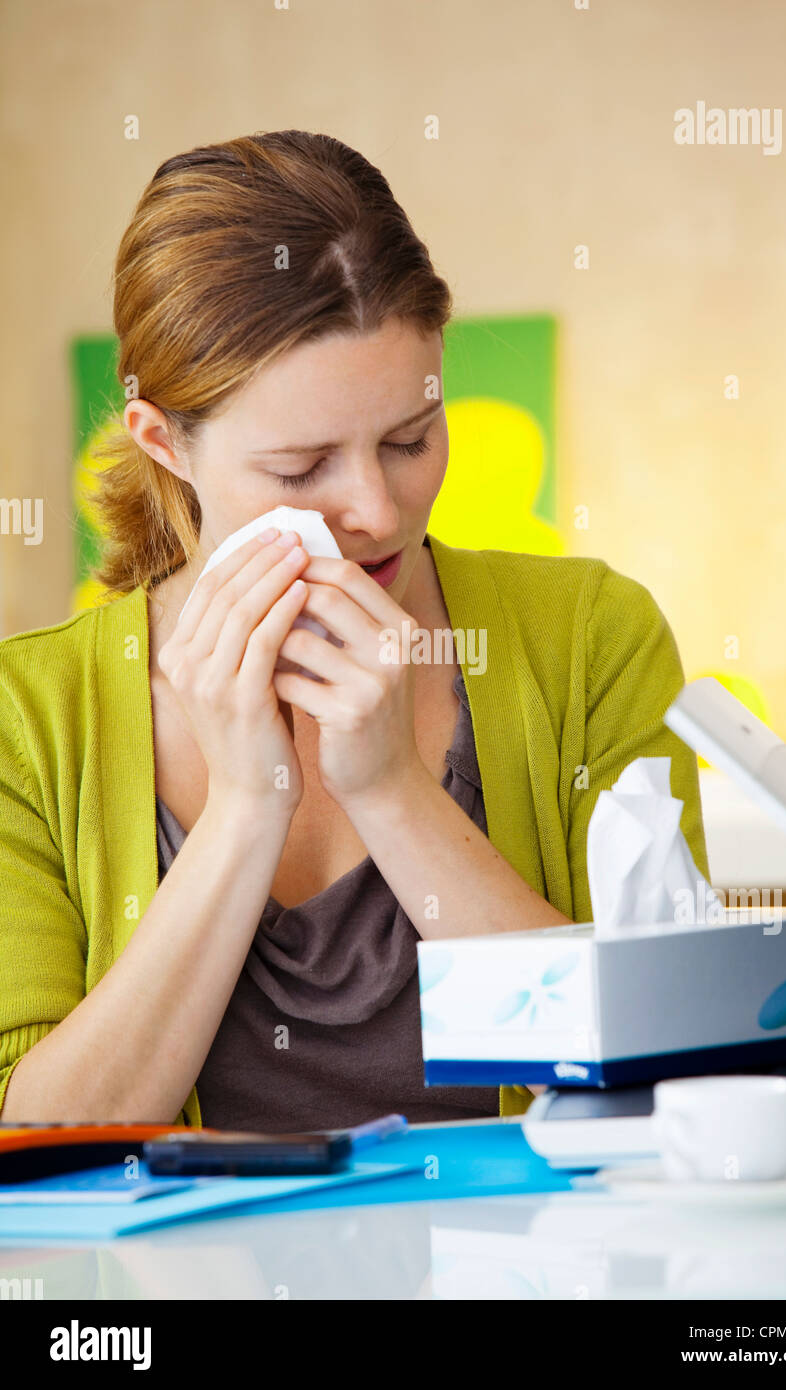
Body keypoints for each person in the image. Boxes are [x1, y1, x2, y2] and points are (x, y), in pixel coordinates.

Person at [0, 130, 710, 1130]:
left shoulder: (591, 636)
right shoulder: (28, 720)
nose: (377, 508)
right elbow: (34, 1145)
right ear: (163, 441)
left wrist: (391, 791)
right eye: (301, 469)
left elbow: (667, 1066)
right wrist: (246, 806)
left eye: (410, 439)